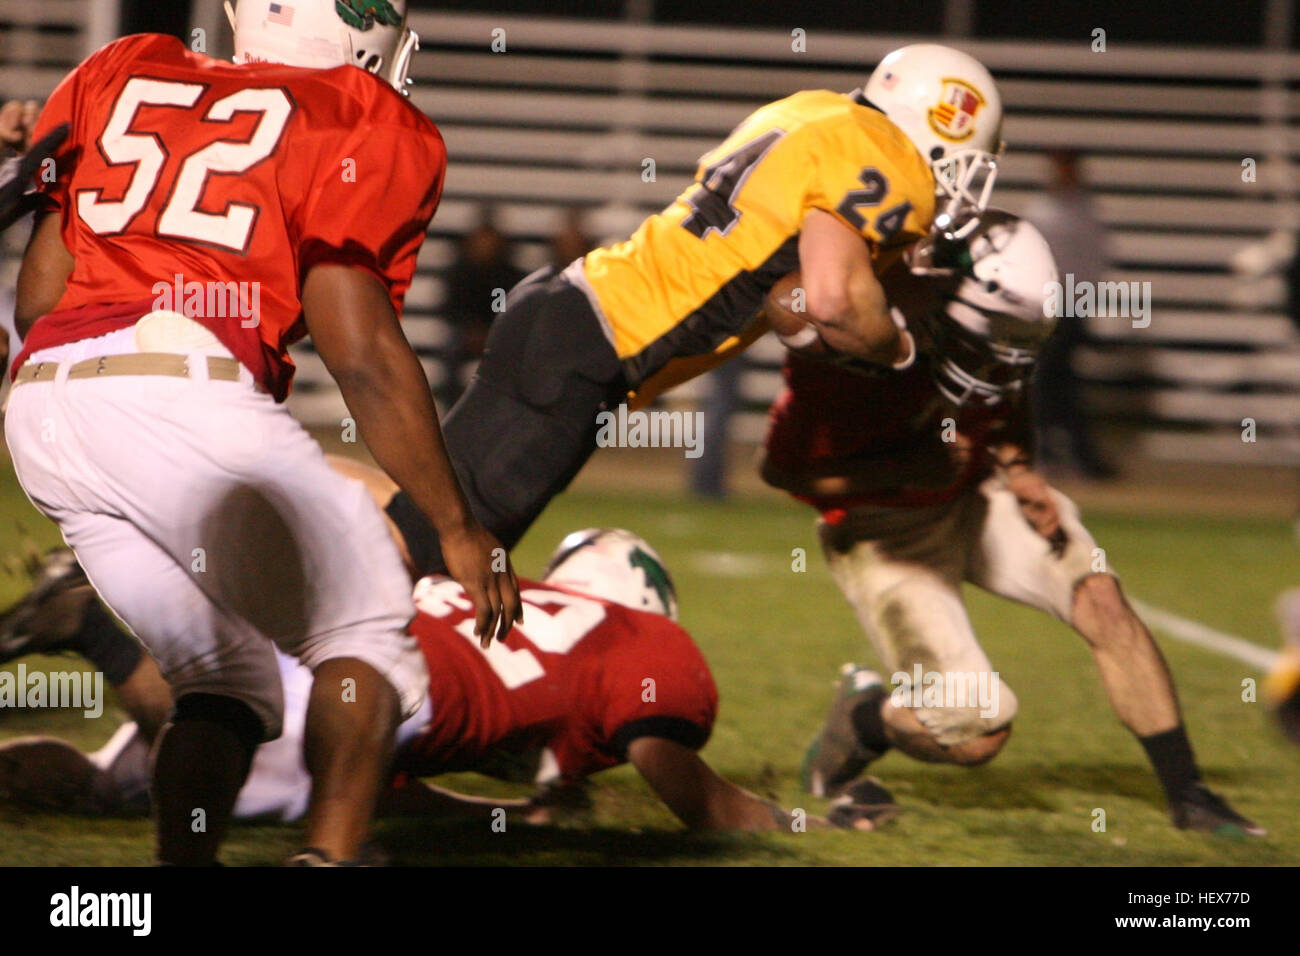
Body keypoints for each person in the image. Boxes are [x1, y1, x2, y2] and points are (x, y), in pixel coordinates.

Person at [2, 0, 519, 866]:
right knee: (364, 631)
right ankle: (331, 858)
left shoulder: (125, 65)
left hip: (47, 410)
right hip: (177, 388)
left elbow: (37, 301)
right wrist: (459, 527)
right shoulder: (356, 114)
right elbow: (361, 353)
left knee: (226, 676)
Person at [383, 44, 1005, 574]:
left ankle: (304, 553)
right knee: (443, 559)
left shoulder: (815, 109)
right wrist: (899, 351)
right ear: (943, 122)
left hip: (571, 313)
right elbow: (832, 299)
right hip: (597, 343)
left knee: (421, 526)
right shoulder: (889, 158)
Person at [760, 211, 1262, 835]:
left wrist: (1020, 468)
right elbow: (781, 474)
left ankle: (1189, 796)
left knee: (1100, 596)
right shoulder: (848, 351)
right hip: (883, 529)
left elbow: (1006, 393)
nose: (1006, 348)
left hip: (977, 495)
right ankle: (868, 717)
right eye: (996, 329)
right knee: (975, 735)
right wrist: (903, 465)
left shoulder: (983, 340)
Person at [0, 514, 886, 835]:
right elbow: (694, 796)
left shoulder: (512, 597)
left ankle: (112, 645)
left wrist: (504, 814)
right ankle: (102, 638)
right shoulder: (643, 651)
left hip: (331, 635)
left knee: (107, 785)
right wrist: (802, 822)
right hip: (369, 693)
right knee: (212, 749)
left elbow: (403, 788)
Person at [1023, 149, 1115, 479]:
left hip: (1073, 305)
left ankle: (1068, 454)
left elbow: (1094, 259)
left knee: (1058, 383)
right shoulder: (1042, 210)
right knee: (1051, 383)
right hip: (1048, 303)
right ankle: (1057, 453)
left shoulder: (1085, 211)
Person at [440, 207, 526, 406]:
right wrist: (471, 331)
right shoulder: (460, 274)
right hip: (465, 337)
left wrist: (491, 334)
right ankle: (450, 412)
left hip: (499, 337)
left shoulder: (508, 275)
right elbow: (451, 309)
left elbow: (510, 311)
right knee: (450, 358)